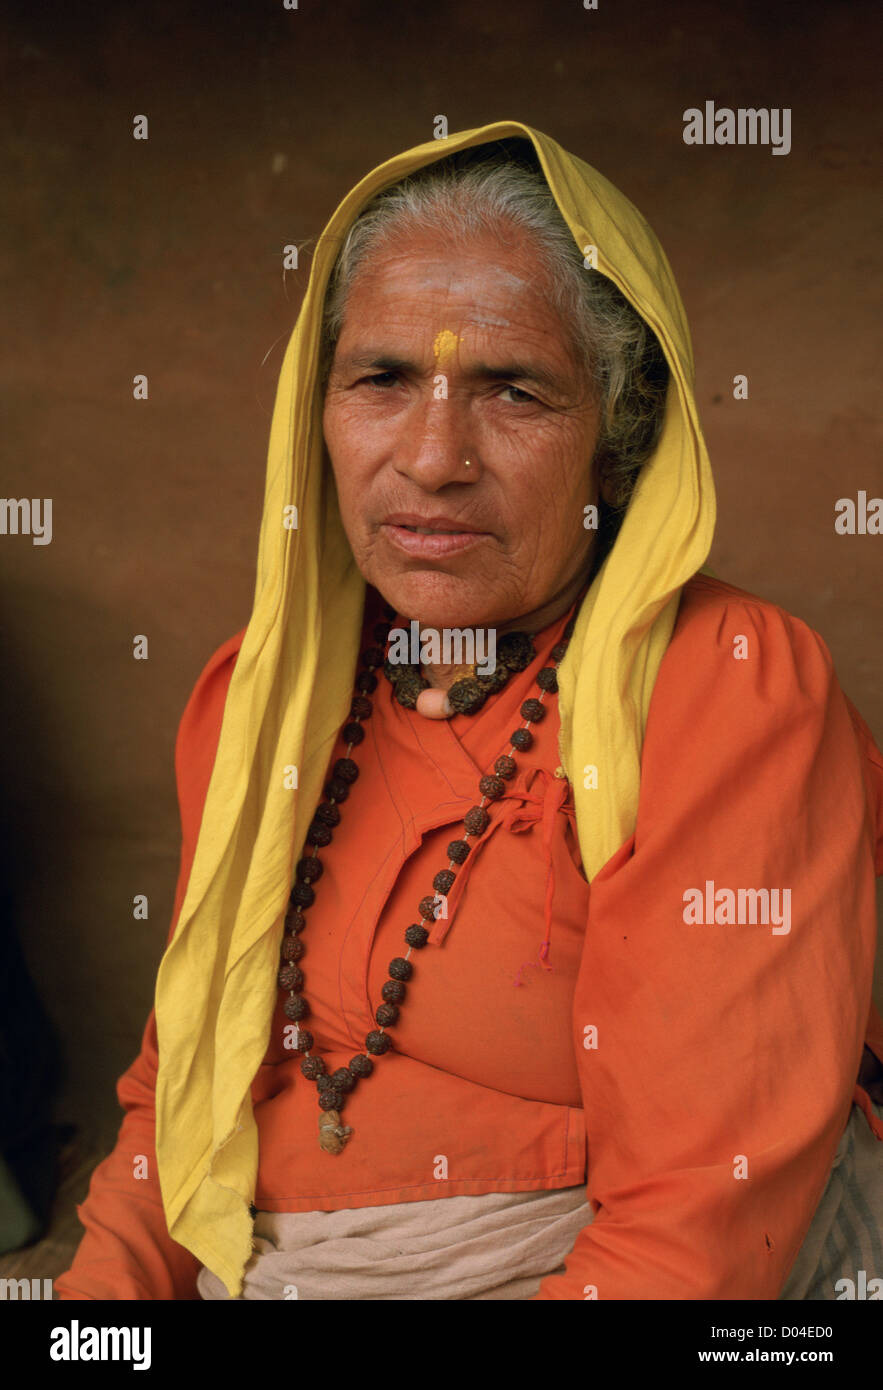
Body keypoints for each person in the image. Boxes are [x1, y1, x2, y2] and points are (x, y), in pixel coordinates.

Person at [56, 121, 883, 1302]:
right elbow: (176, 1096)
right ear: (319, 409)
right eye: (383, 379)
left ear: (617, 437)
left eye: (513, 390)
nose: (434, 457)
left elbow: (694, 1224)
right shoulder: (266, 699)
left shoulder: (726, 690)